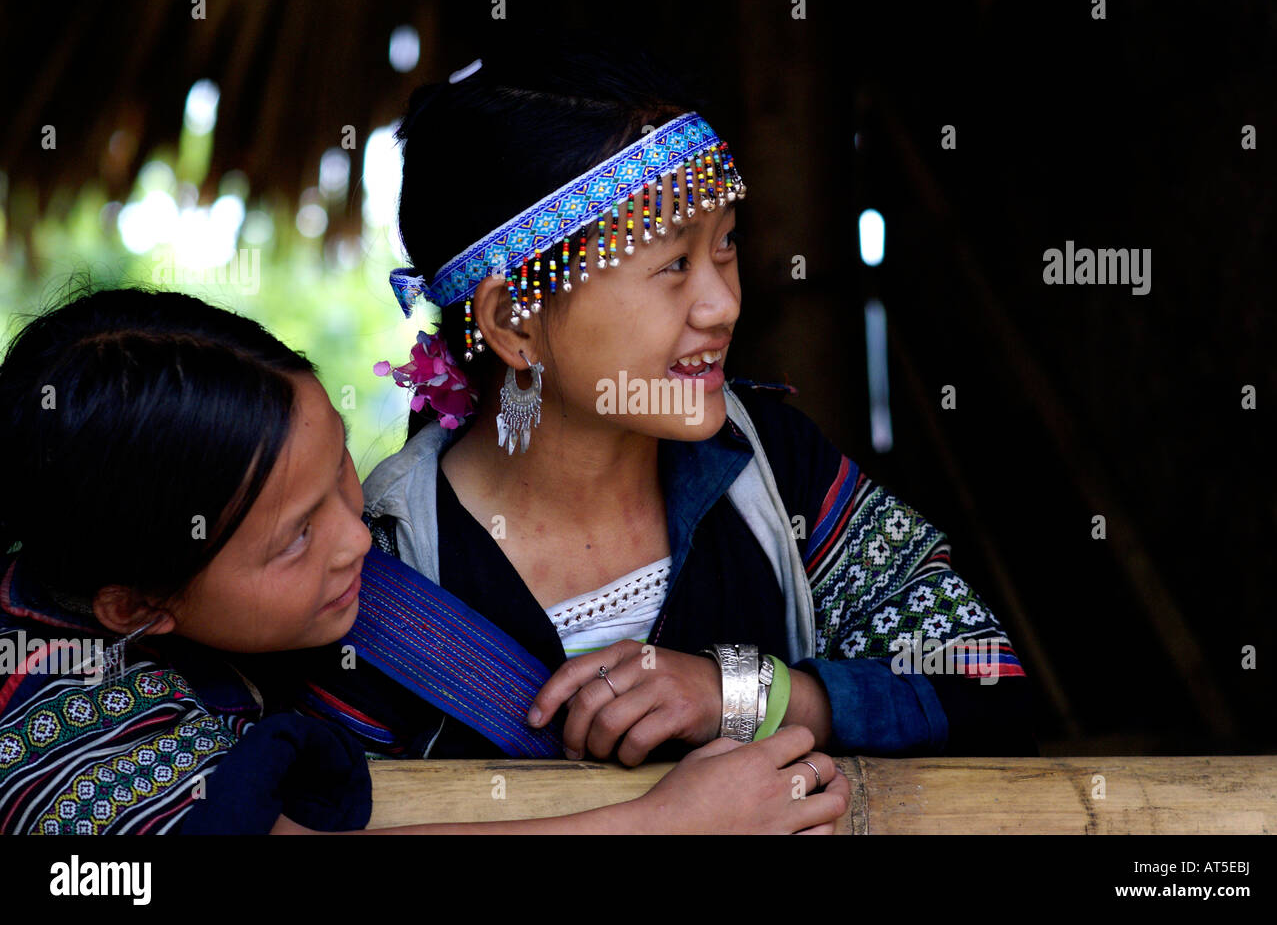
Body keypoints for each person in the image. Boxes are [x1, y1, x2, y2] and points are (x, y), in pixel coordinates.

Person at [309, 44, 1038, 765]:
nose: (723, 305)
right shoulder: (384, 566)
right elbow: (326, 806)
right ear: (513, 321)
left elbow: (982, 680)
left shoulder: (774, 470)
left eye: (725, 246)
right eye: (674, 265)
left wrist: (746, 697)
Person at [0, 284, 847, 834]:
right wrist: (669, 825)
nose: (357, 537)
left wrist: (753, 692)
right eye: (295, 538)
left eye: (339, 469)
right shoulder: (49, 733)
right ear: (133, 607)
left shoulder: (772, 465)